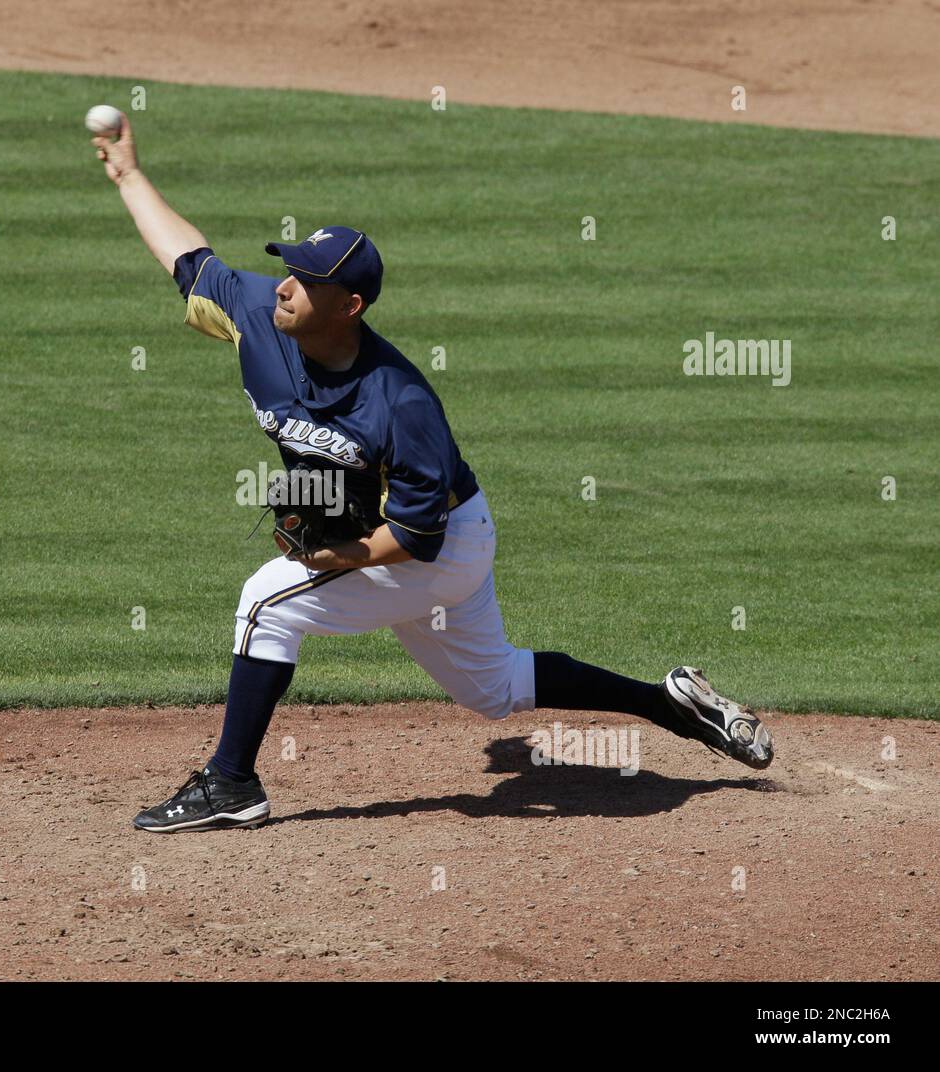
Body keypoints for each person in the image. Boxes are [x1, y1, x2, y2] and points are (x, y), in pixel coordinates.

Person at [90, 117, 774, 834]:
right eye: (289, 269)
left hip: (439, 544)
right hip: (421, 538)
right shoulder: (262, 316)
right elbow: (187, 258)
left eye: (308, 280)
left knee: (267, 603)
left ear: (350, 306)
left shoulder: (401, 401)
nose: (286, 286)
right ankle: (671, 703)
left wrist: (331, 556)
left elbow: (418, 534)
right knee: (496, 688)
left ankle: (231, 783)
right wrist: (131, 175)